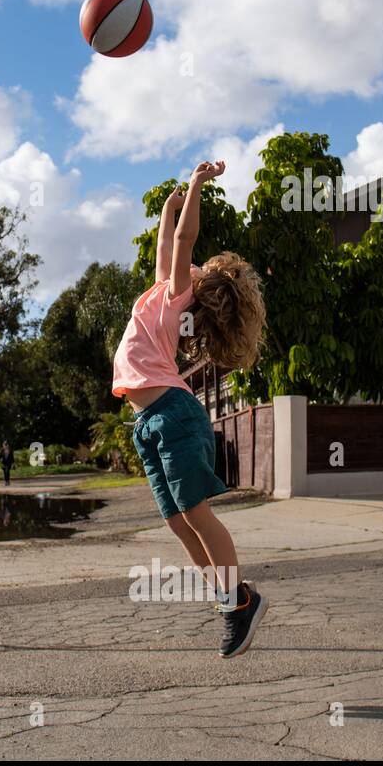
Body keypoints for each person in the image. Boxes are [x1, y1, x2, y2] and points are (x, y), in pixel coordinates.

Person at [111, 161, 269, 658]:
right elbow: (167, 247)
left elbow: (182, 244)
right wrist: (166, 209)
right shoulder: (161, 298)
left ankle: (236, 604)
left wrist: (197, 187)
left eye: (193, 271)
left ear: (197, 288)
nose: (184, 267)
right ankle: (235, 600)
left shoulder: (179, 297)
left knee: (196, 515)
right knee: (178, 522)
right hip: (149, 423)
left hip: (173, 414)